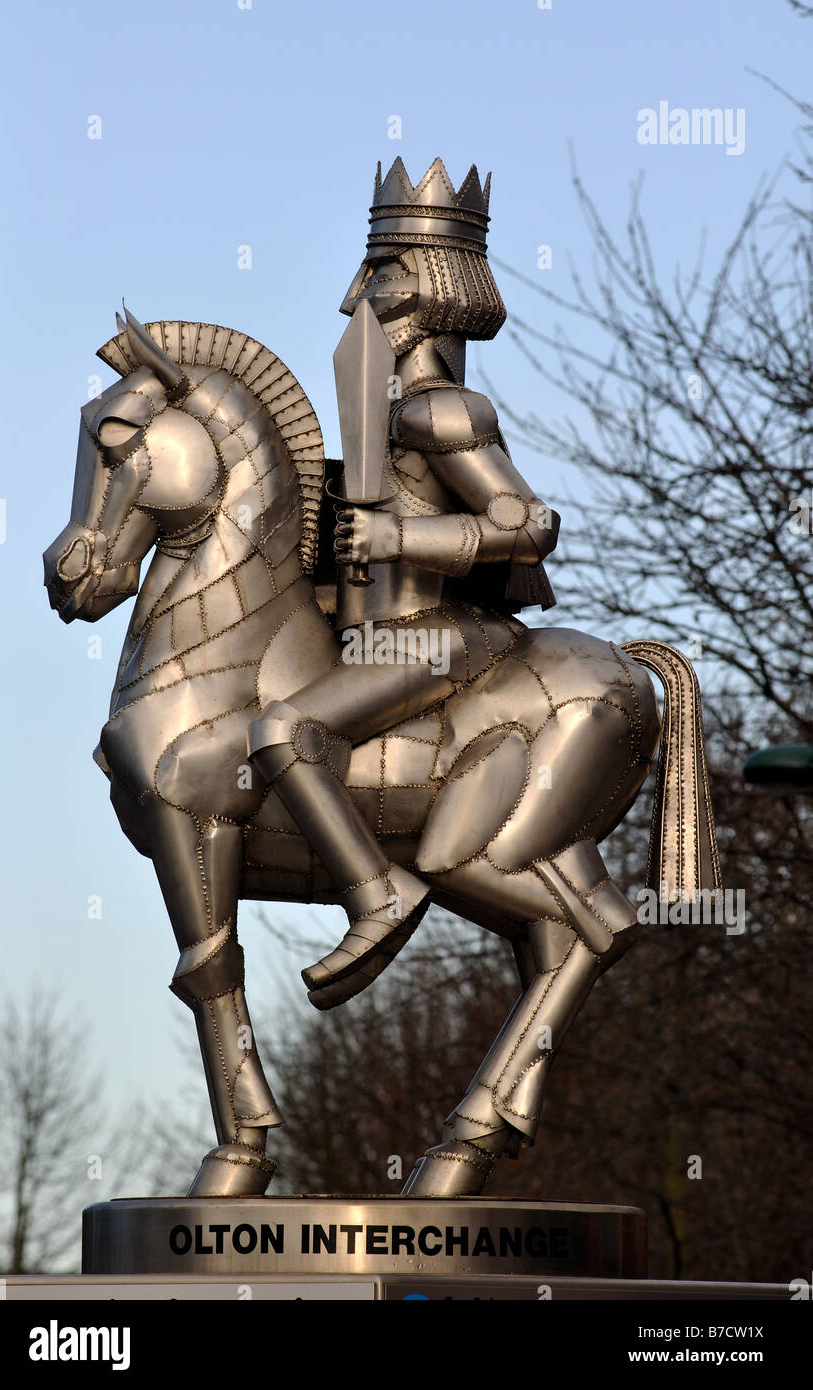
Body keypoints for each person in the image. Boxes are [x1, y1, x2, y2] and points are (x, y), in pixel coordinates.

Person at [248, 157, 560, 1003]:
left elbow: (530, 523)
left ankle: (376, 899)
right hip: (372, 632)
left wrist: (399, 531)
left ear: (432, 282)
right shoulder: (384, 418)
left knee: (284, 733)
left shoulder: (441, 410)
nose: (358, 289)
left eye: (382, 269)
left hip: (444, 632)